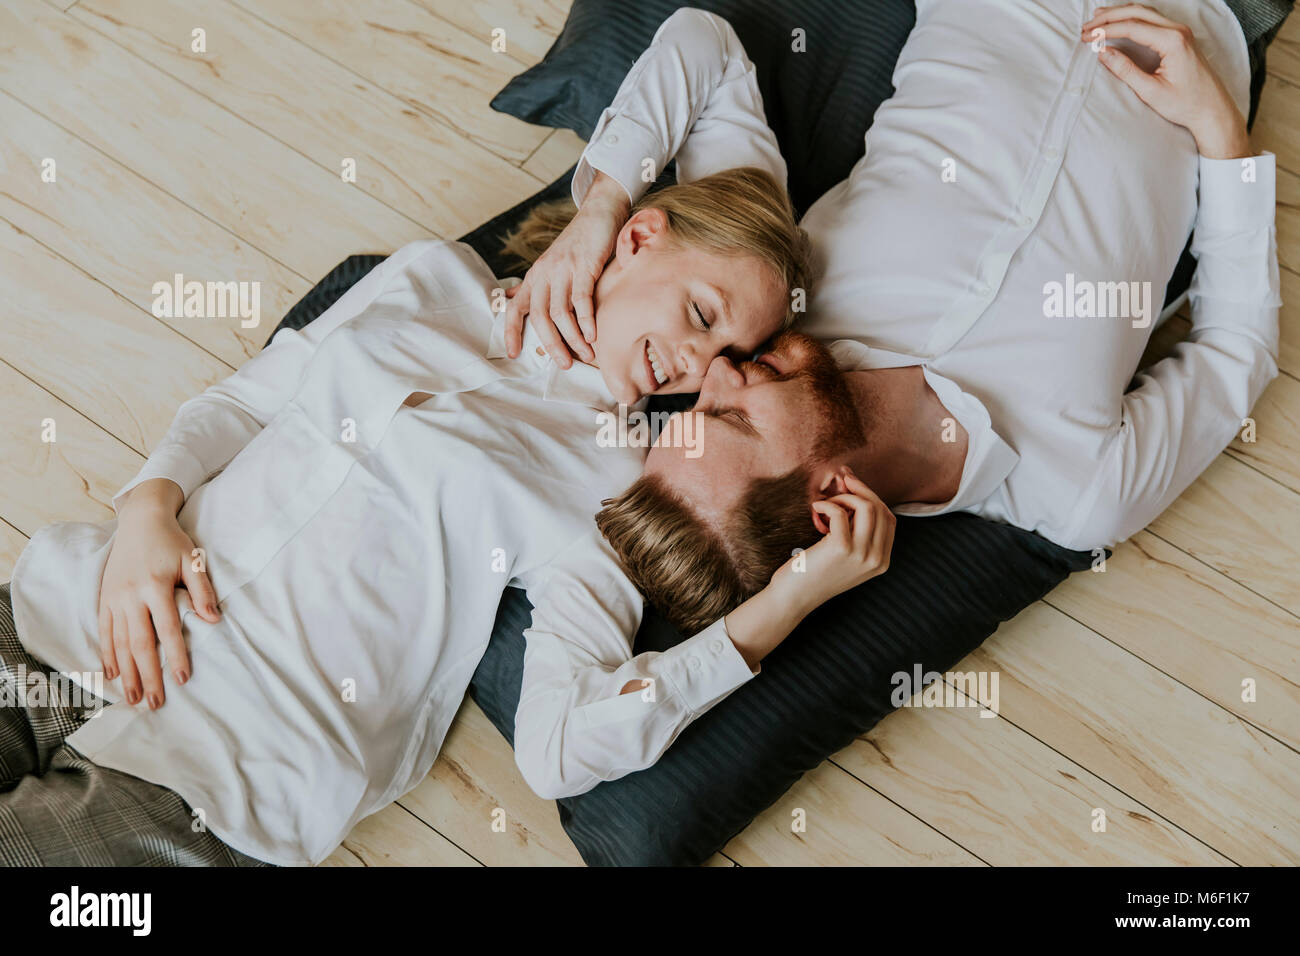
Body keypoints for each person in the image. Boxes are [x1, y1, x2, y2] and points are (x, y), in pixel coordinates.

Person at [1, 163, 896, 866]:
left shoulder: (616, 475)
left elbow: (556, 748)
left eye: (729, 353)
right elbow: (248, 400)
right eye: (701, 313)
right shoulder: (432, 276)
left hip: (222, 775)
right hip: (79, 607)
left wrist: (782, 608)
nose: (698, 362)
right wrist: (148, 511)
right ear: (636, 238)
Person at [511, 3, 1280, 634]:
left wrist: (602, 207)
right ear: (828, 507)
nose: (715, 374)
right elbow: (1237, 347)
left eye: (689, 406)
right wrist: (1218, 125)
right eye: (730, 419)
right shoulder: (1074, 487)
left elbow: (705, 46)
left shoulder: (777, 288)